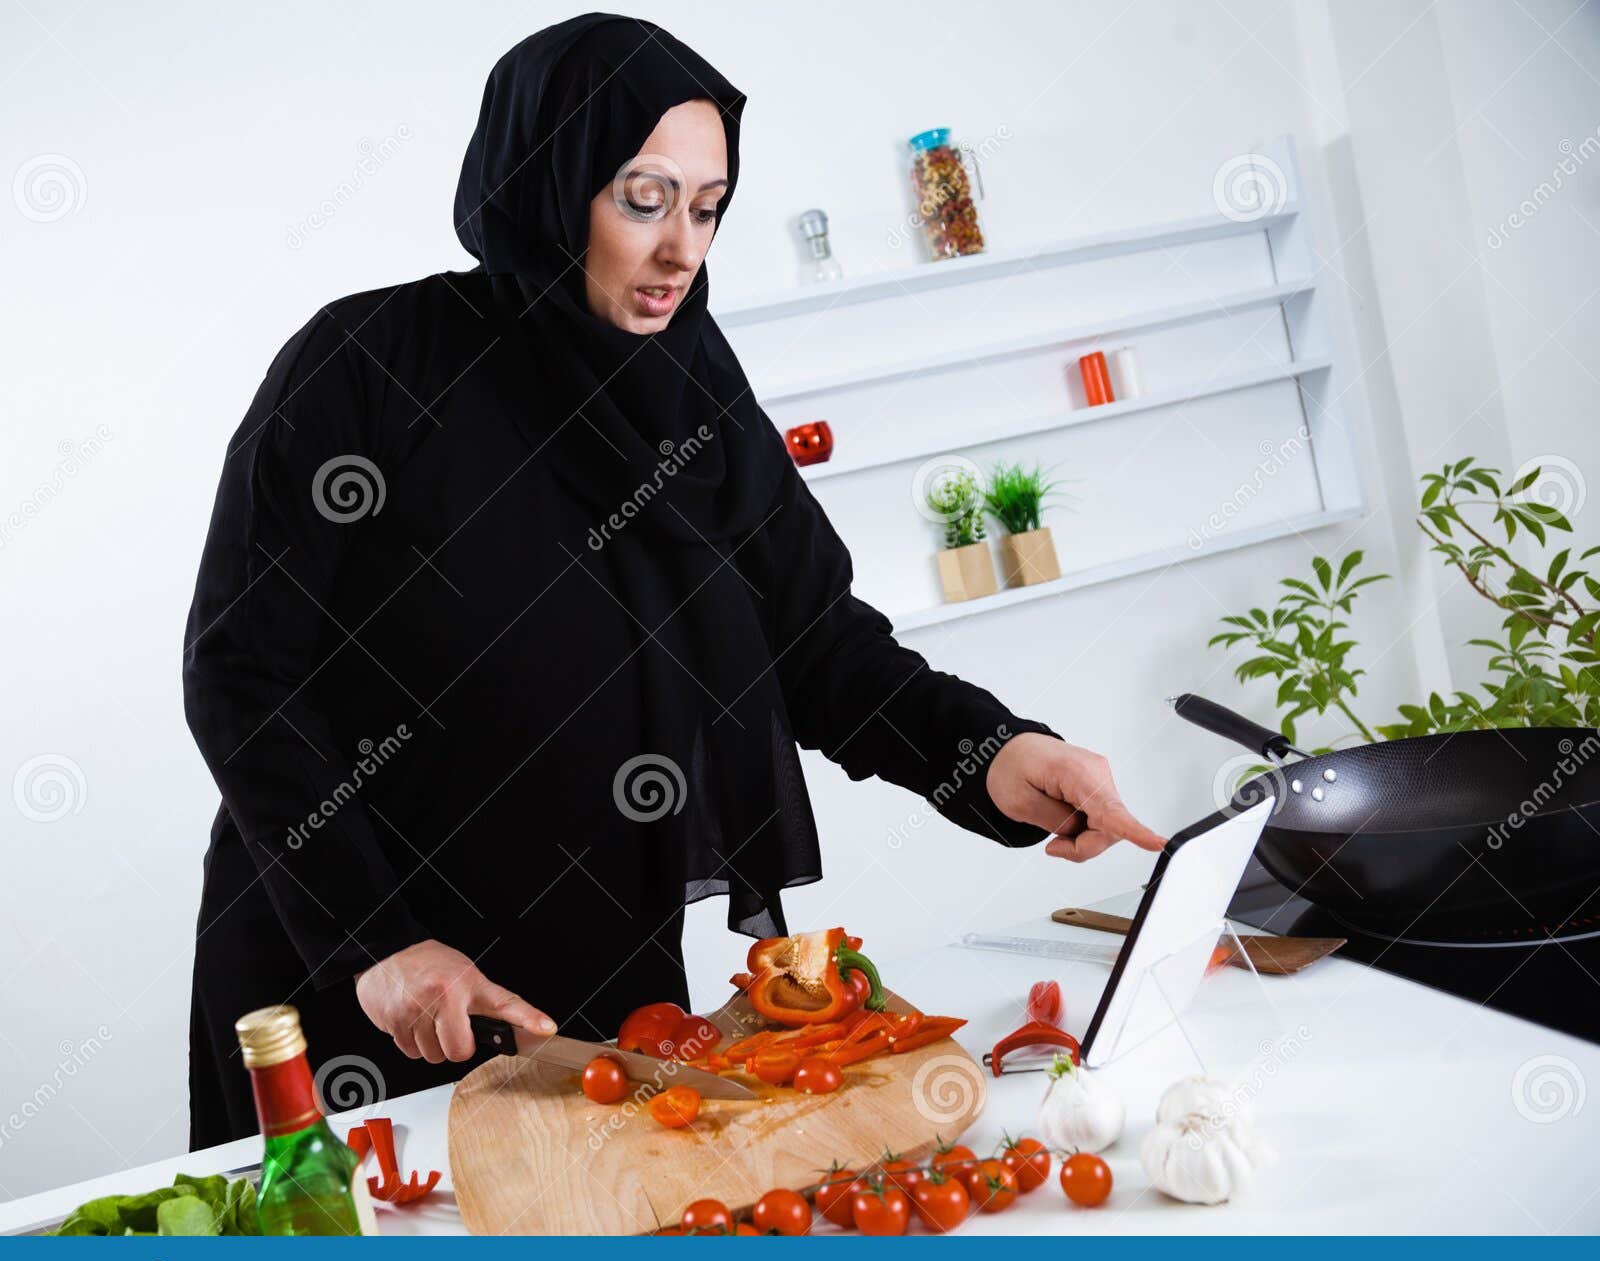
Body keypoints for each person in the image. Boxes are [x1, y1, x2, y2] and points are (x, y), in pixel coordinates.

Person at [181, 12, 1165, 1147]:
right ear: (547, 187)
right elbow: (241, 676)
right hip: (358, 974)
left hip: (593, 967)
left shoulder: (691, 384)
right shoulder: (366, 365)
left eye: (706, 208)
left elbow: (813, 641)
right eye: (642, 199)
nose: (680, 249)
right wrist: (376, 944)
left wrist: (992, 753)